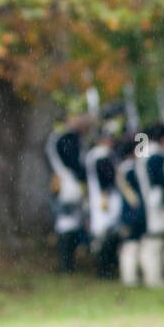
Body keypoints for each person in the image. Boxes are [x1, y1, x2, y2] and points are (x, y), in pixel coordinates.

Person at [44, 118, 87, 273]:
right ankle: (66, 265)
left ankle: (69, 264)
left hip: (68, 183)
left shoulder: (61, 137)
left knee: (71, 223)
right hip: (67, 183)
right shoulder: (64, 138)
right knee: (66, 223)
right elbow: (73, 162)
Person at [134, 123, 164, 287]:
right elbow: (159, 185)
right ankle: (155, 279)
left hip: (145, 204)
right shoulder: (156, 155)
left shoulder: (143, 154)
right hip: (155, 206)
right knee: (155, 245)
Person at [85, 124, 122, 279]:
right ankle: (104, 270)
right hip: (105, 198)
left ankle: (106, 269)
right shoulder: (100, 155)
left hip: (101, 197)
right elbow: (106, 178)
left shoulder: (96, 154)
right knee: (105, 235)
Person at [114, 137, 145, 286]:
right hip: (133, 213)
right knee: (131, 246)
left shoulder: (123, 169)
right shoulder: (131, 170)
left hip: (128, 213)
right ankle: (130, 278)